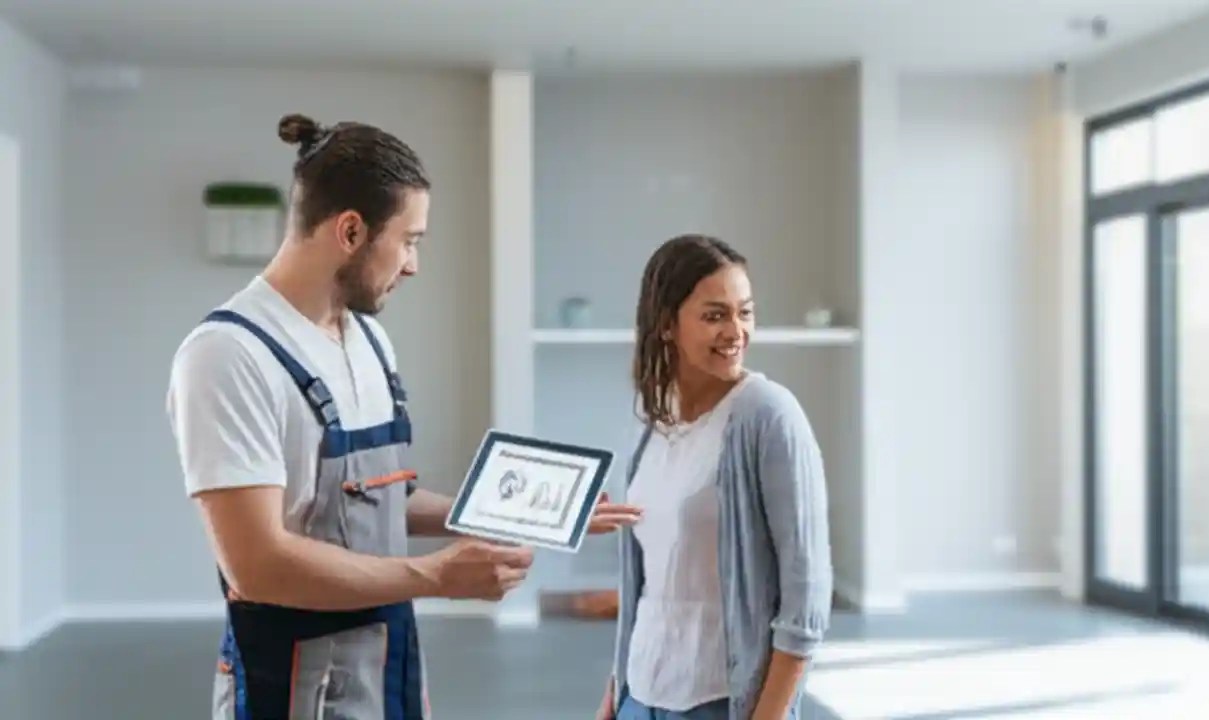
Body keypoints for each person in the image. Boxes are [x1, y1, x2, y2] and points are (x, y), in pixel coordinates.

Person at [167, 113, 641, 720]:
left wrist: (540, 511)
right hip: (290, 686)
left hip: (386, 667)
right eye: (410, 239)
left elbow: (383, 498)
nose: (414, 263)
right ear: (350, 230)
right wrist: (439, 577)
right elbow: (257, 565)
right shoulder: (228, 355)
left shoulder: (368, 342)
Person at [598, 234, 833, 720]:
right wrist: (615, 693)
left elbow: (805, 594)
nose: (736, 330)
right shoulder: (649, 416)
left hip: (719, 701)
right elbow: (648, 583)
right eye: (714, 315)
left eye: (744, 312)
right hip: (639, 694)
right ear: (666, 324)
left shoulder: (768, 415)